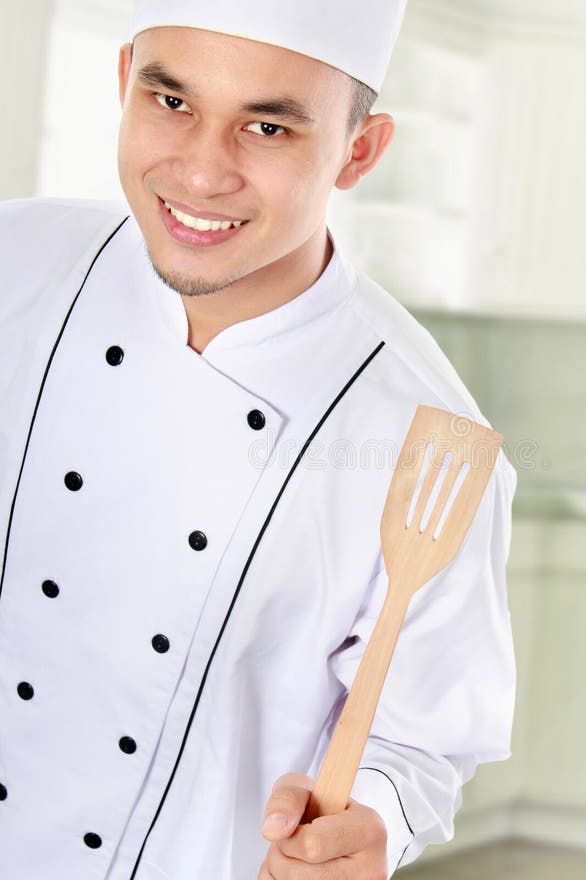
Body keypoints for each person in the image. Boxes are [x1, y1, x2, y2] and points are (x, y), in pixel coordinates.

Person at [0, 2, 517, 879]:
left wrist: (375, 819)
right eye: (171, 103)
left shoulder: (419, 432)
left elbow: (422, 743)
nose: (202, 173)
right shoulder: (15, 263)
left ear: (359, 151)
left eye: (268, 126)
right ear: (125, 83)